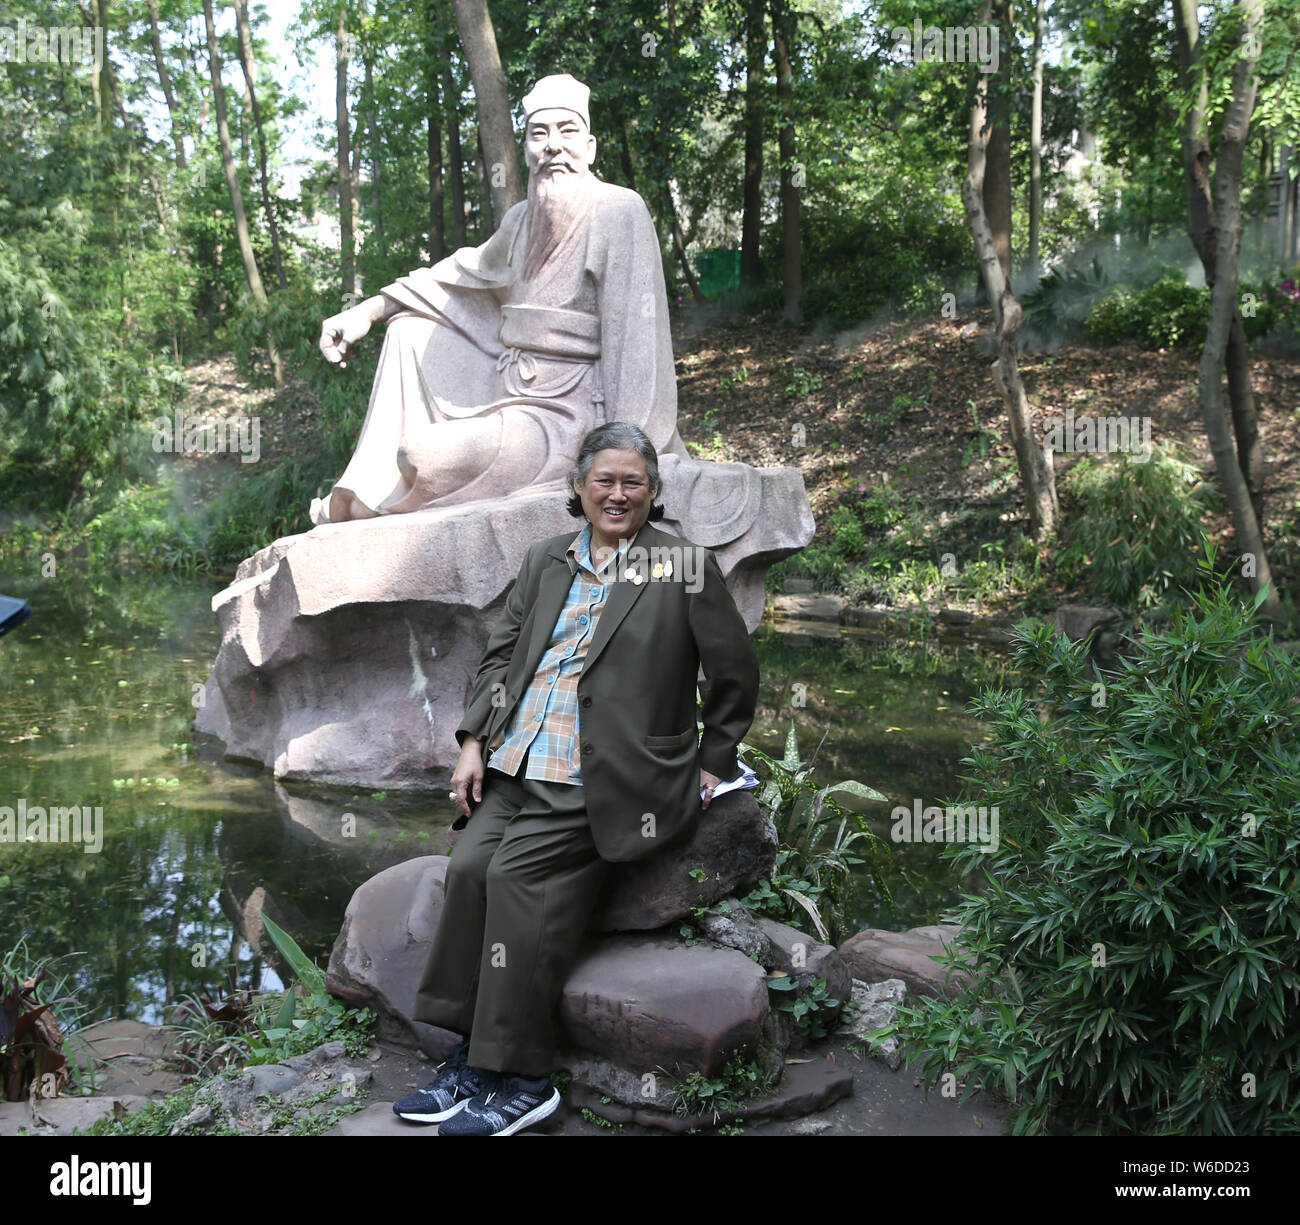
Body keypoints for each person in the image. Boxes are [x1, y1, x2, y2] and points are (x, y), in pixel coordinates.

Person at [392, 421, 759, 1136]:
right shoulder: (545, 561)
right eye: (605, 479)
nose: (617, 493)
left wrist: (714, 762)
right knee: (467, 868)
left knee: (518, 881)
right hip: (517, 763)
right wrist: (472, 740)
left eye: (634, 482)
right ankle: (473, 1057)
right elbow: (500, 659)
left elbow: (735, 672)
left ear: (653, 493)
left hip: (605, 779)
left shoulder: (681, 564)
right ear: (579, 486)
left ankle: (525, 1077)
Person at [312, 74, 677, 525]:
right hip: (505, 392)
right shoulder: (521, 221)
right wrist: (367, 311)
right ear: (525, 148)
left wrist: (622, 460)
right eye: (538, 134)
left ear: (592, 147)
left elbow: (635, 345)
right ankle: (366, 496)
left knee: (420, 455)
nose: (553, 146)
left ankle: (385, 505)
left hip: (568, 417)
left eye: (567, 131)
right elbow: (457, 278)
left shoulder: (620, 212)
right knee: (407, 330)